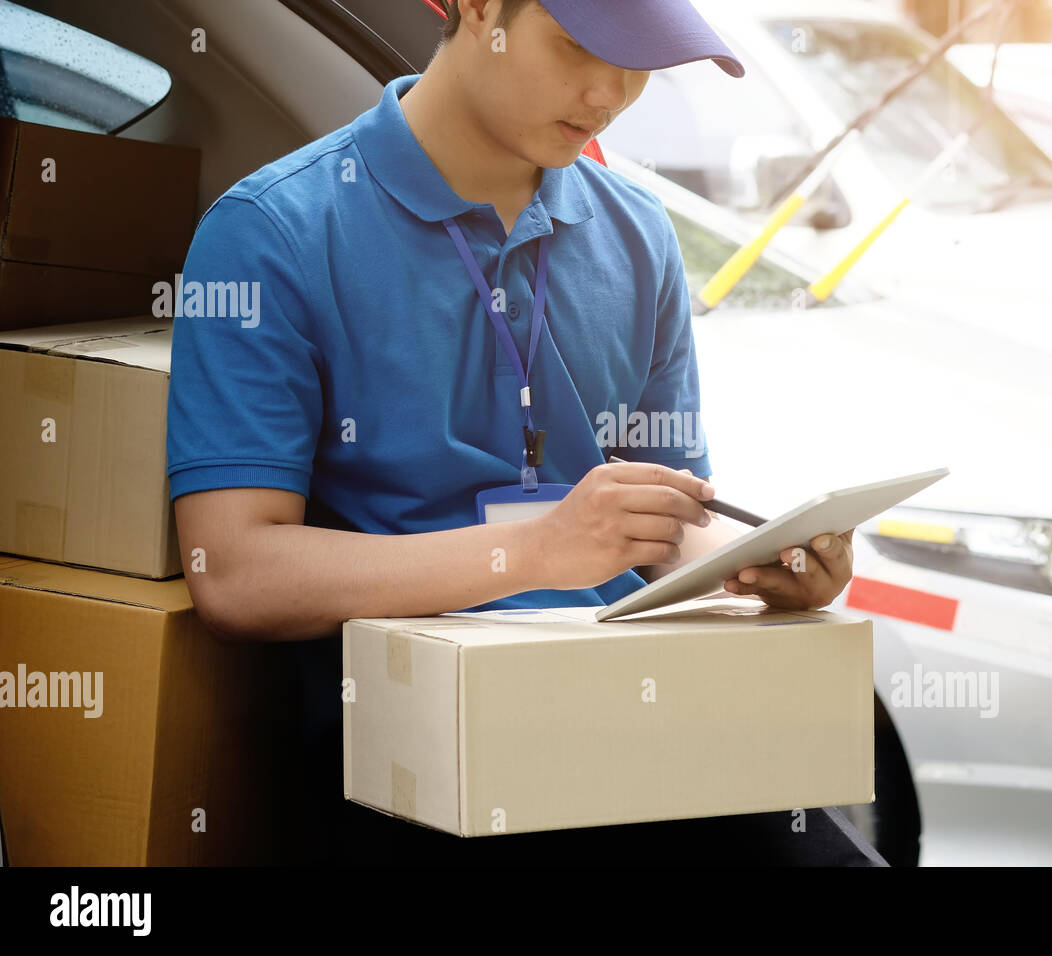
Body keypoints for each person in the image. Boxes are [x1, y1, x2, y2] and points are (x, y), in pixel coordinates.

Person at [166, 0, 874, 866]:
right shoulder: (274, 231)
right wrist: (536, 554)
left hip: (635, 721)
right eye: (579, 45)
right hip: (413, 755)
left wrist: (760, 563)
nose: (610, 92)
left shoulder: (638, 234)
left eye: (642, 60)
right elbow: (233, 573)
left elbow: (671, 523)